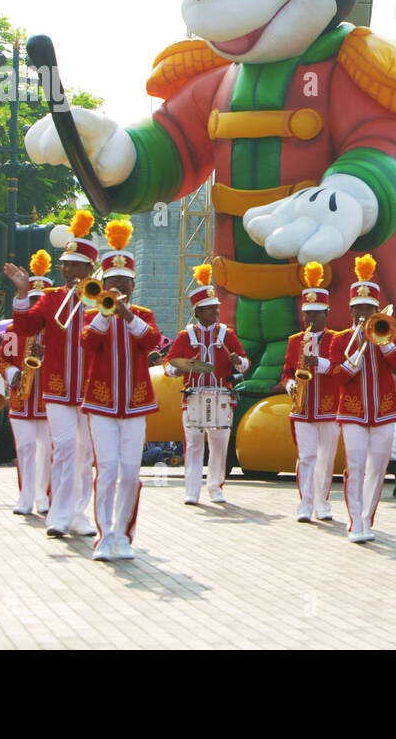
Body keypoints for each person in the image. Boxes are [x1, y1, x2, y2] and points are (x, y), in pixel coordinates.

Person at [4, 209, 101, 540]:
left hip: (90, 390)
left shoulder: (101, 301)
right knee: (64, 447)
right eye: (65, 264)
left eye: (75, 265)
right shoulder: (50, 299)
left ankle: (79, 514)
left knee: (86, 453)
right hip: (57, 389)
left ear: (90, 269)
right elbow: (24, 327)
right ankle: (58, 515)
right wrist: (20, 293)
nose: (68, 269)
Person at [79, 220, 161, 561]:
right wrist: (104, 314)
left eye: (123, 285)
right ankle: (105, 535)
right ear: (102, 287)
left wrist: (126, 315)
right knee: (108, 469)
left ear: (133, 284)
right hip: (101, 404)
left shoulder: (142, 315)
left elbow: (152, 341)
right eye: (111, 285)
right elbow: (87, 343)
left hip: (136, 404)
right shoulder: (92, 316)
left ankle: (124, 535)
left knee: (130, 473)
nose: (117, 291)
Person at [325, 254, 396, 542]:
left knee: (378, 467)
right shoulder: (340, 339)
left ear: (377, 310)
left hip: (383, 411)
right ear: (350, 310)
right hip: (352, 412)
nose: (363, 315)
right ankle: (355, 521)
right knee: (355, 466)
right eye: (359, 309)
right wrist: (358, 349)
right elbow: (338, 376)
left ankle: (367, 517)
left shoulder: (386, 334)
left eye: (369, 309)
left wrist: (382, 342)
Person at [164, 263, 249, 506]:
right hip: (193, 396)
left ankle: (215, 487)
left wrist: (238, 360)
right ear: (198, 312)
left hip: (220, 395)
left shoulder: (227, 334)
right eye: (210, 309)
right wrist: (176, 368)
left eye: (215, 308)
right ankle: (192, 491)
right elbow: (169, 366)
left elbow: (245, 364)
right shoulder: (185, 336)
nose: (215, 312)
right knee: (192, 444)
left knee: (219, 443)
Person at [282, 262, 339, 524]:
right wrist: (290, 385)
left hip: (328, 407)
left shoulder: (336, 339)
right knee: (306, 457)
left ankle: (323, 503)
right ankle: (305, 504)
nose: (311, 319)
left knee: (326, 459)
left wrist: (321, 364)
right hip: (302, 408)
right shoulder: (295, 341)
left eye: (316, 313)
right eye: (307, 314)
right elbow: (286, 372)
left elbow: (341, 370)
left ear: (326, 313)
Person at [0, 251, 53, 516]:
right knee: (25, 448)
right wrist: (12, 374)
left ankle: (44, 497)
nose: (35, 304)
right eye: (32, 299)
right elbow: (3, 360)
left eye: (40, 300)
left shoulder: (56, 333)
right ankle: (25, 497)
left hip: (47, 399)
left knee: (47, 452)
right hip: (21, 398)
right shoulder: (12, 331)